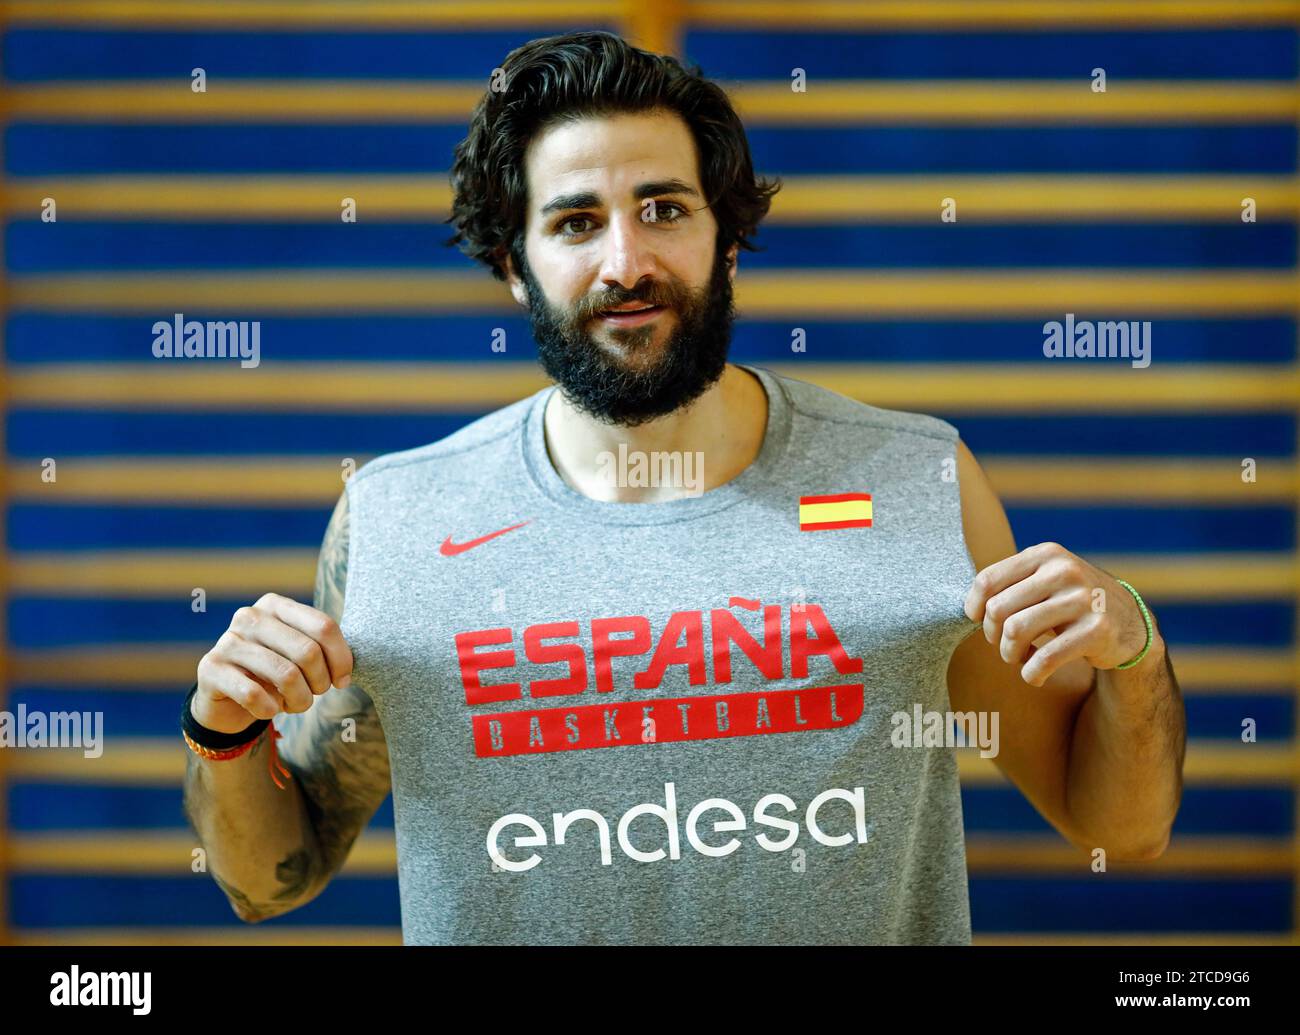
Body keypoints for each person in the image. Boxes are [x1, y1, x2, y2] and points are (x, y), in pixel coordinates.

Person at [181, 30, 1185, 945]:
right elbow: (270, 880)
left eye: (662, 209)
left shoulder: (910, 475)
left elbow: (1117, 827)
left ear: (727, 235)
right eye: (575, 222)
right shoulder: (399, 517)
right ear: (512, 265)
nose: (627, 262)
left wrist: (1130, 645)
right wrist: (223, 730)